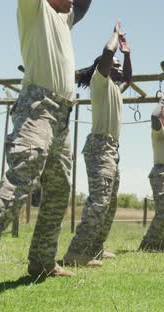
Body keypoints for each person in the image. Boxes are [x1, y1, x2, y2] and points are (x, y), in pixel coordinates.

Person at [0, 0, 92, 297]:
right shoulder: (35, 8)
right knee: (20, 181)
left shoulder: (64, 19)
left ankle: (42, 261)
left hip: (62, 114)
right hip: (38, 106)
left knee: (60, 187)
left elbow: (84, 4)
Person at [63, 20, 132, 267]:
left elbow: (129, 79)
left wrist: (127, 55)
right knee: (99, 201)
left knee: (110, 203)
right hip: (99, 147)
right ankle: (75, 254)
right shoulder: (99, 83)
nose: (118, 68)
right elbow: (106, 53)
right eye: (115, 66)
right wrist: (114, 36)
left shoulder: (114, 88)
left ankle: (95, 248)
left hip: (112, 149)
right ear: (103, 69)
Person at [139, 95, 164, 252]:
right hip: (161, 173)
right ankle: (148, 246)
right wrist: (162, 101)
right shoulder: (158, 131)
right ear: (161, 117)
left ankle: (162, 246)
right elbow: (154, 116)